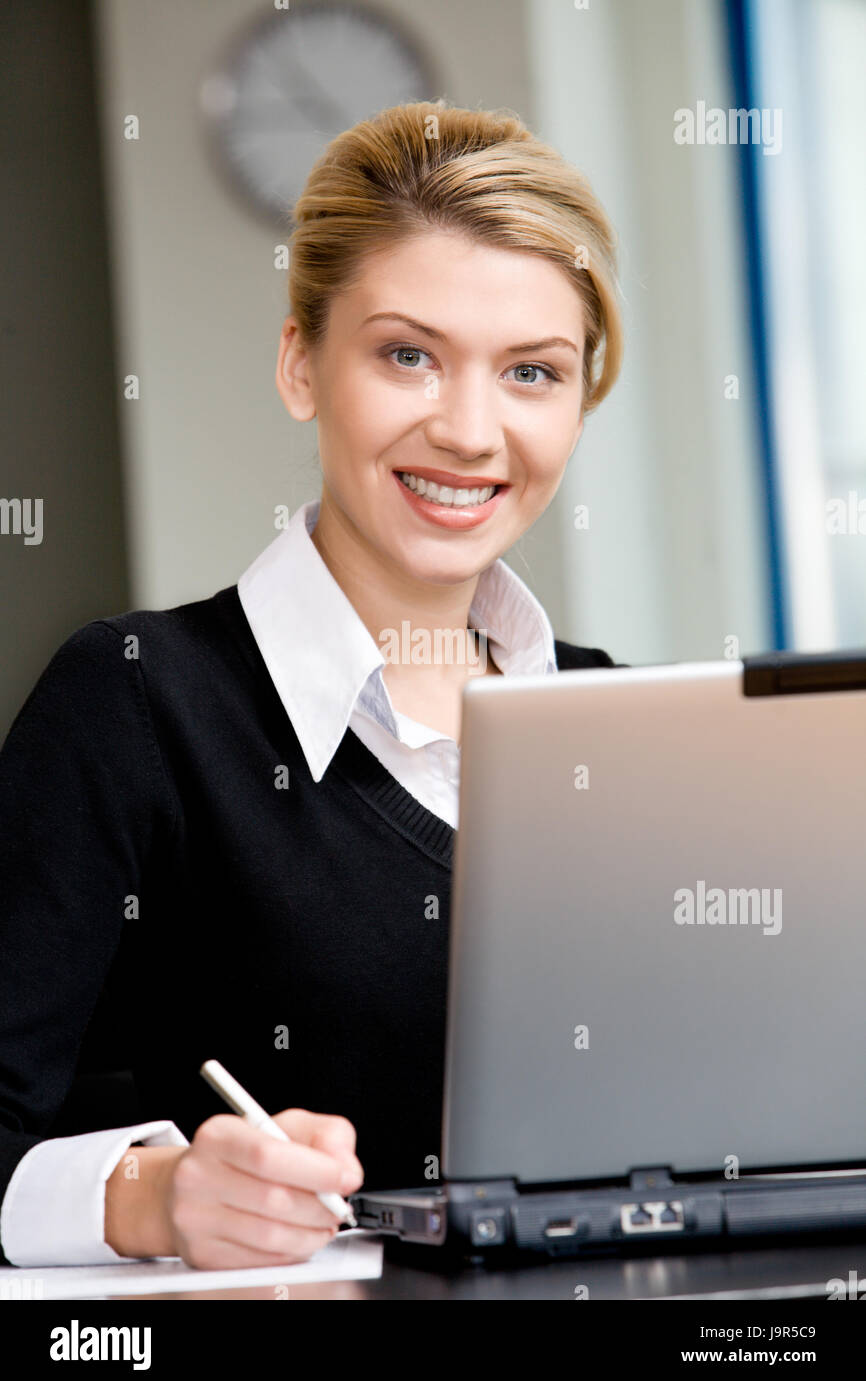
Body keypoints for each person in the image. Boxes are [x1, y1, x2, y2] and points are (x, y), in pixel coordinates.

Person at [0, 100, 623, 1270]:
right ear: (300, 364)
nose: (470, 429)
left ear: (579, 403)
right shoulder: (133, 704)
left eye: (531, 372)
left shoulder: (625, 730)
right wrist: (151, 1194)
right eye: (406, 355)